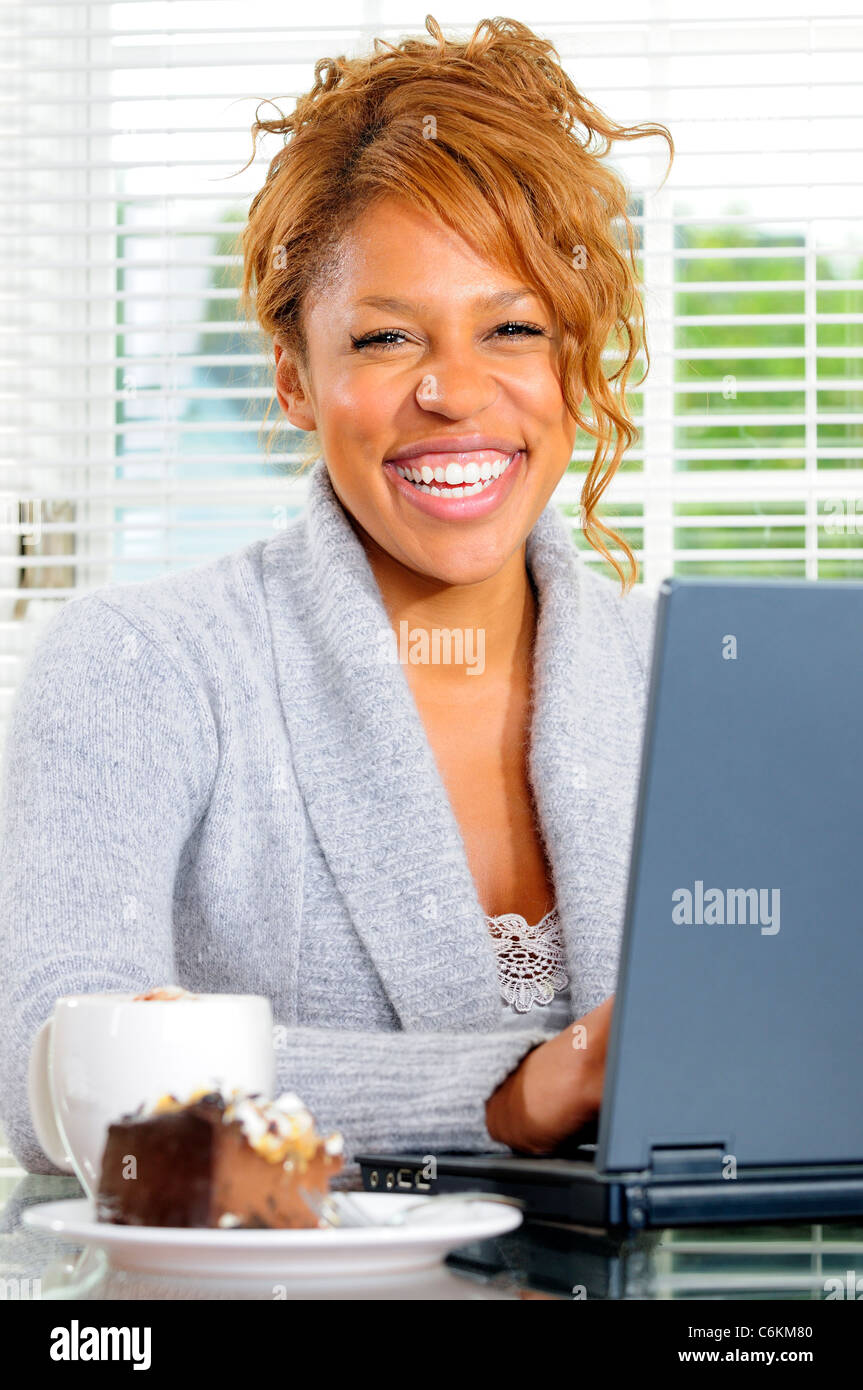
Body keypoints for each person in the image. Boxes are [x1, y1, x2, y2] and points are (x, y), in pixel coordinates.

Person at [0, 15, 672, 1179]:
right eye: (383, 337)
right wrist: (502, 1091)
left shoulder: (686, 670)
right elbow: (49, 1067)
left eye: (511, 326)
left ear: (576, 358)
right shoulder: (141, 662)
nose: (454, 393)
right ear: (294, 380)